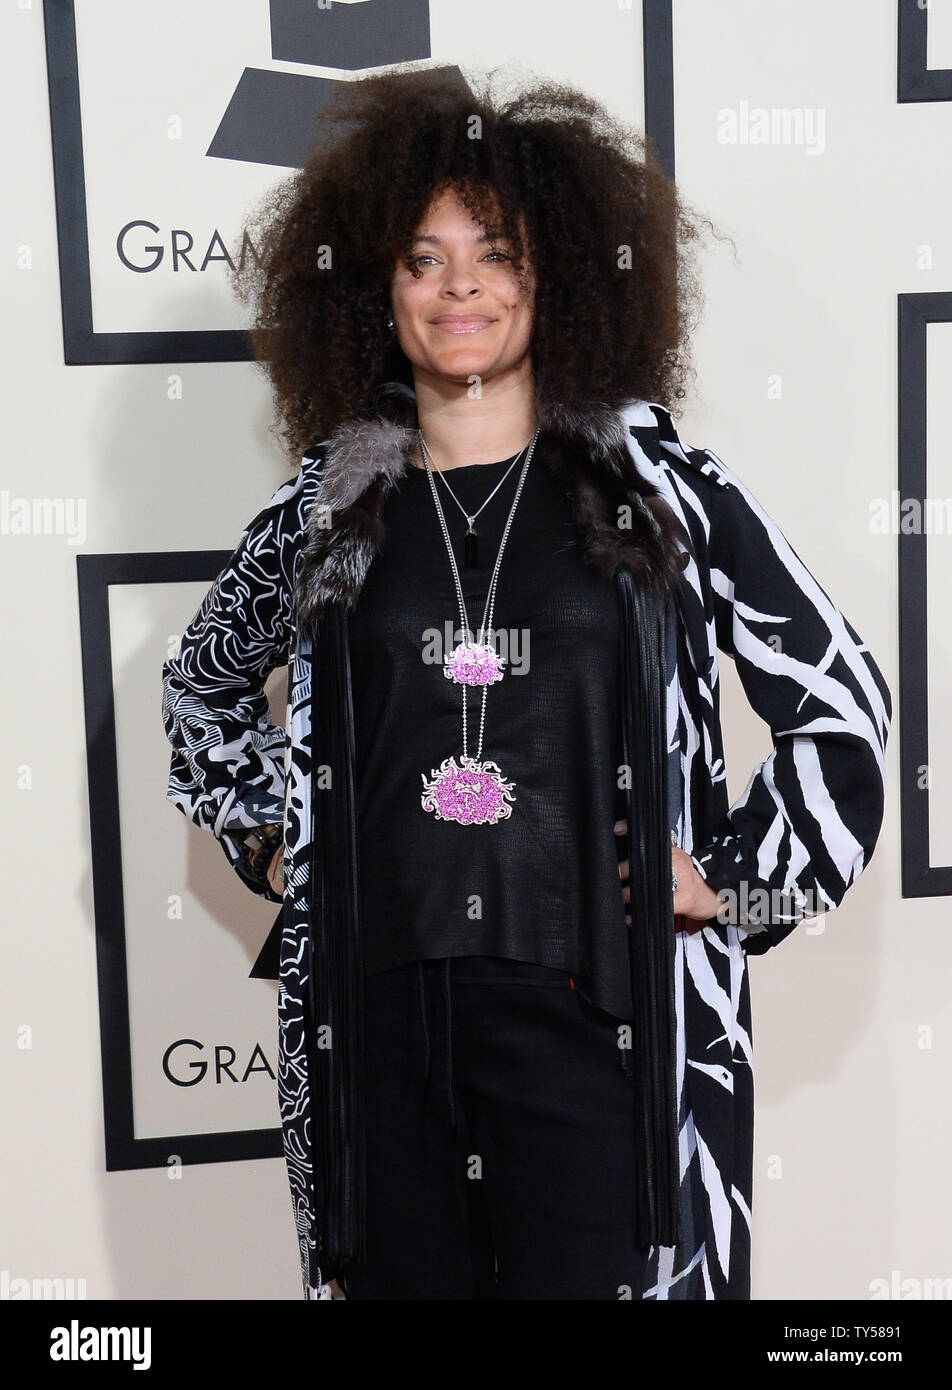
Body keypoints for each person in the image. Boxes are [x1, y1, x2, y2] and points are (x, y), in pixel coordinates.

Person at [161, 66, 891, 1299]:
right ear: (372, 291)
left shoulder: (665, 492)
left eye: (493, 254)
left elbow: (844, 702)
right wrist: (277, 839)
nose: (460, 289)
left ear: (551, 271)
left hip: (599, 1020)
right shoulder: (322, 508)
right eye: (422, 258)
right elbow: (202, 691)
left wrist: (733, 879)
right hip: (382, 1029)